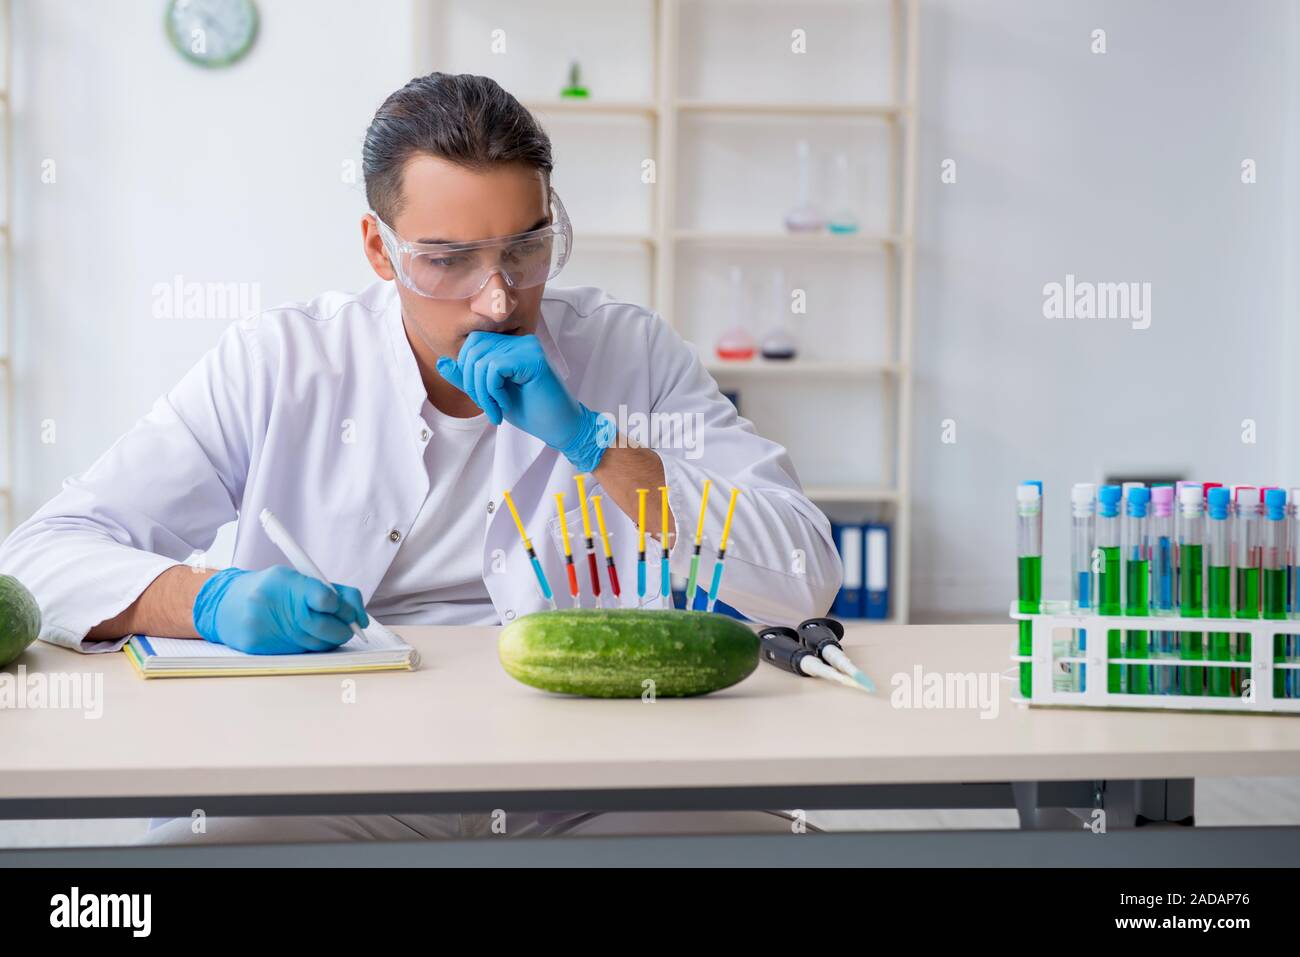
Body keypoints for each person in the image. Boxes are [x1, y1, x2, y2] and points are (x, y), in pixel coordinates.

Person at [0, 72, 839, 843]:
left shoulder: (628, 352)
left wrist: (594, 443)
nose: (499, 296)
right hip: (324, 780)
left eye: (526, 249)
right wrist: (205, 599)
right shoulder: (281, 364)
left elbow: (803, 570)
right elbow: (42, 555)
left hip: (590, 779)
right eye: (447, 260)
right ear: (379, 248)